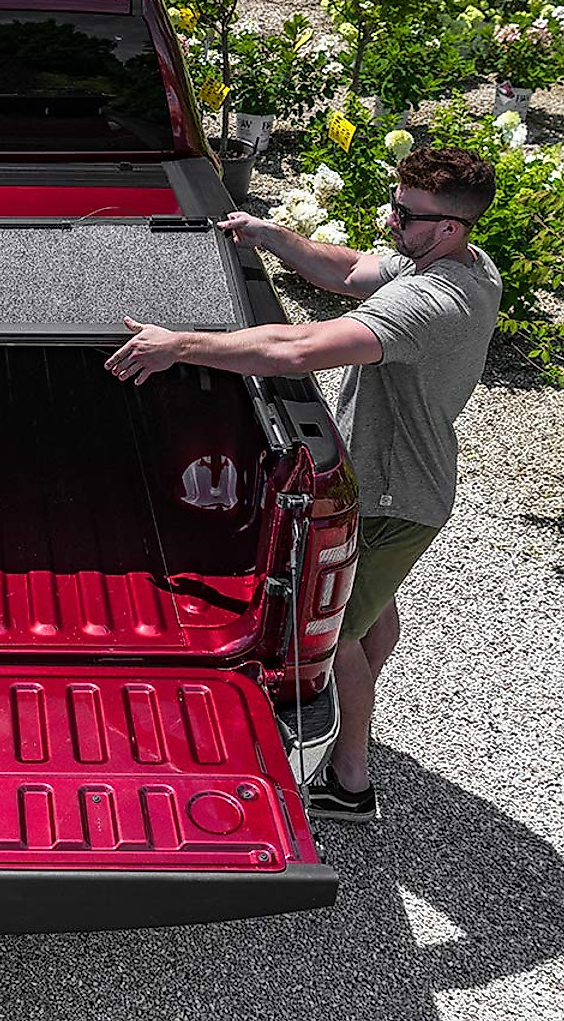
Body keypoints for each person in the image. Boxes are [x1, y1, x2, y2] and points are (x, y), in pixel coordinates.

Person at [105, 146, 501, 823]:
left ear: (447, 228)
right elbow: (350, 270)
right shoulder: (461, 261)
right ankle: (358, 718)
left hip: (389, 494)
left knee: (335, 634)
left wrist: (179, 344)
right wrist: (270, 235)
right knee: (369, 611)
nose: (391, 219)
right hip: (400, 487)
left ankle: (350, 782)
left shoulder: (431, 301)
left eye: (405, 214)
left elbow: (297, 347)